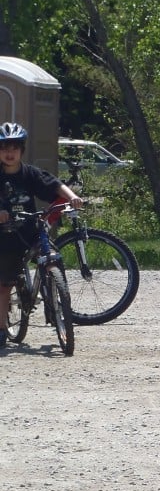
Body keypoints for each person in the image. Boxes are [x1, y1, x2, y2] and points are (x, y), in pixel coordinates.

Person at [0, 121, 83, 347]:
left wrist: (72, 197)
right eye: (4, 148)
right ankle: (1, 329)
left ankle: (56, 303)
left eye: (14, 148)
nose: (9, 153)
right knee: (5, 284)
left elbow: (55, 184)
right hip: (7, 235)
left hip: (30, 230)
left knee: (53, 258)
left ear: (22, 150)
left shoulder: (30, 173)